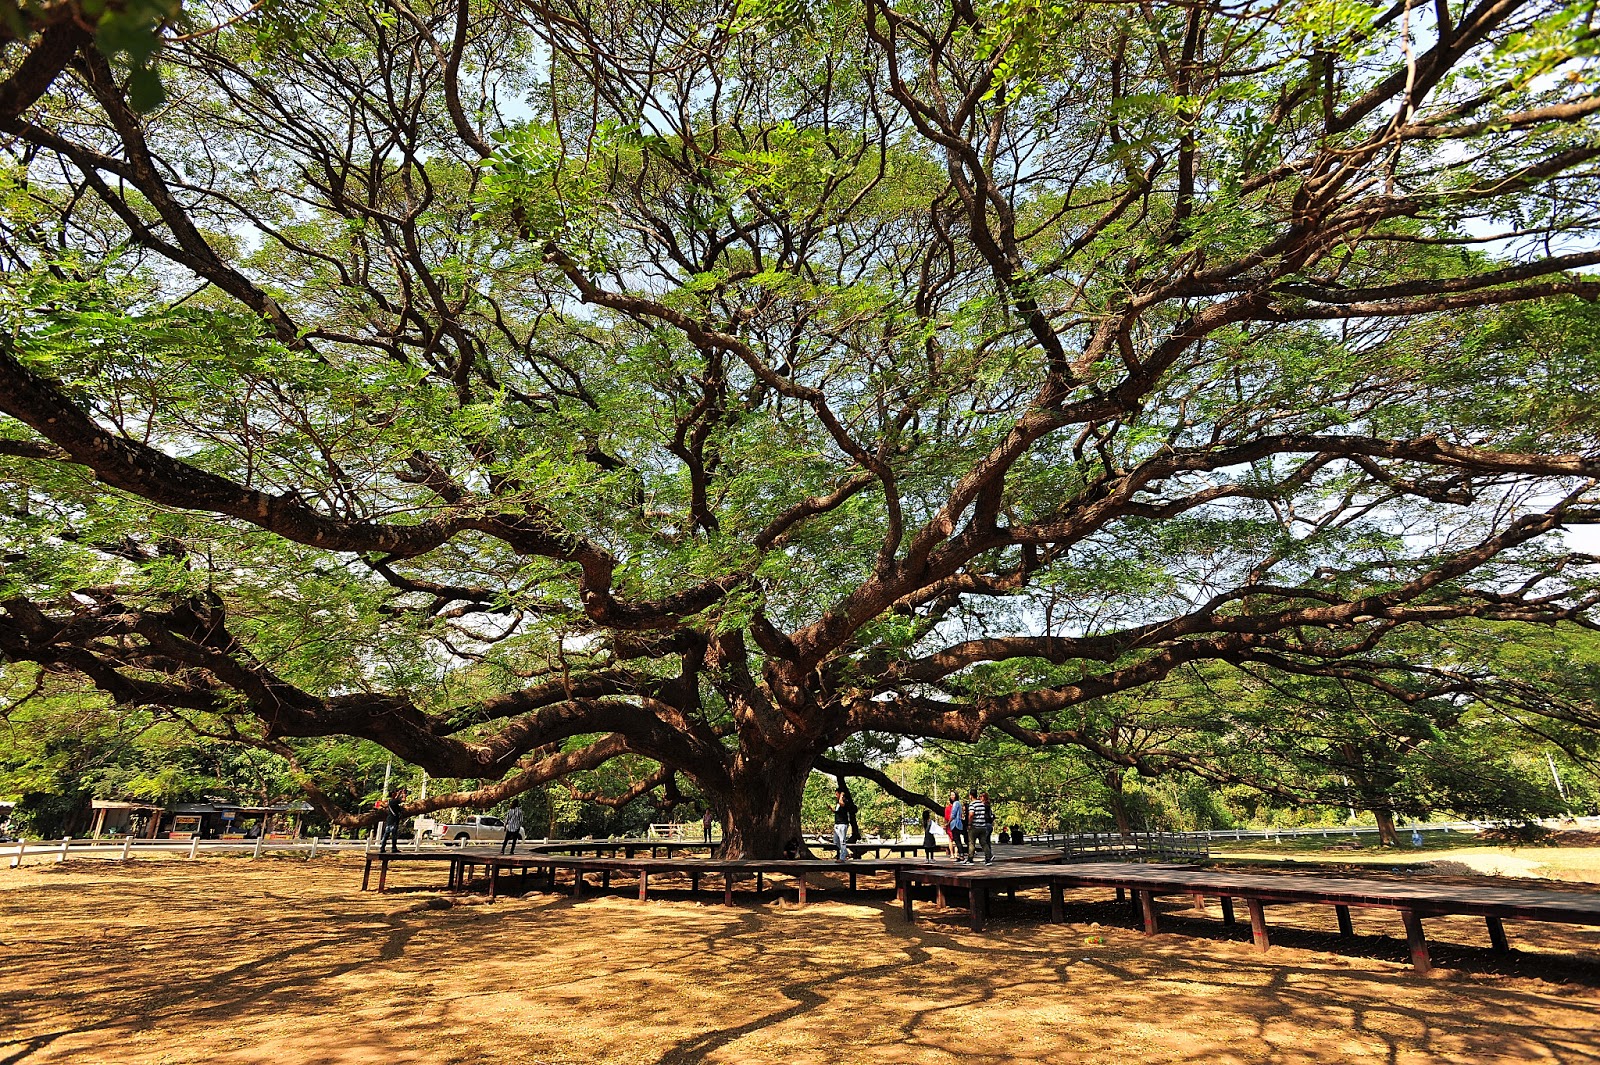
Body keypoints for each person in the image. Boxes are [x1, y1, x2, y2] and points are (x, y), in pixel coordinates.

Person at [966, 789, 994, 864]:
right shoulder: (982, 804)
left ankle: (970, 859)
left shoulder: (972, 804)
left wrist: (969, 824)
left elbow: (971, 815)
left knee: (971, 843)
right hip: (983, 826)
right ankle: (988, 858)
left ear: (971, 796)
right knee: (984, 843)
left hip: (975, 826)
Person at [945, 790, 967, 862]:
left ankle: (961, 855)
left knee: (957, 840)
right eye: (951, 795)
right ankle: (961, 855)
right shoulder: (958, 803)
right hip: (957, 824)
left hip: (955, 824)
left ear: (956, 796)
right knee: (957, 840)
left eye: (953, 795)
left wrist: (948, 823)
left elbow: (953, 814)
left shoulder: (956, 803)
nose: (951, 796)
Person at [832, 788, 852, 861]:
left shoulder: (845, 801)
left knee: (842, 841)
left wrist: (842, 795)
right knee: (835, 841)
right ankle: (846, 853)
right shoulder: (838, 803)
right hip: (837, 824)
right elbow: (837, 811)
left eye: (837, 794)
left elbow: (842, 804)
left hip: (842, 824)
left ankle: (842, 858)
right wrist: (831, 809)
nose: (836, 795)